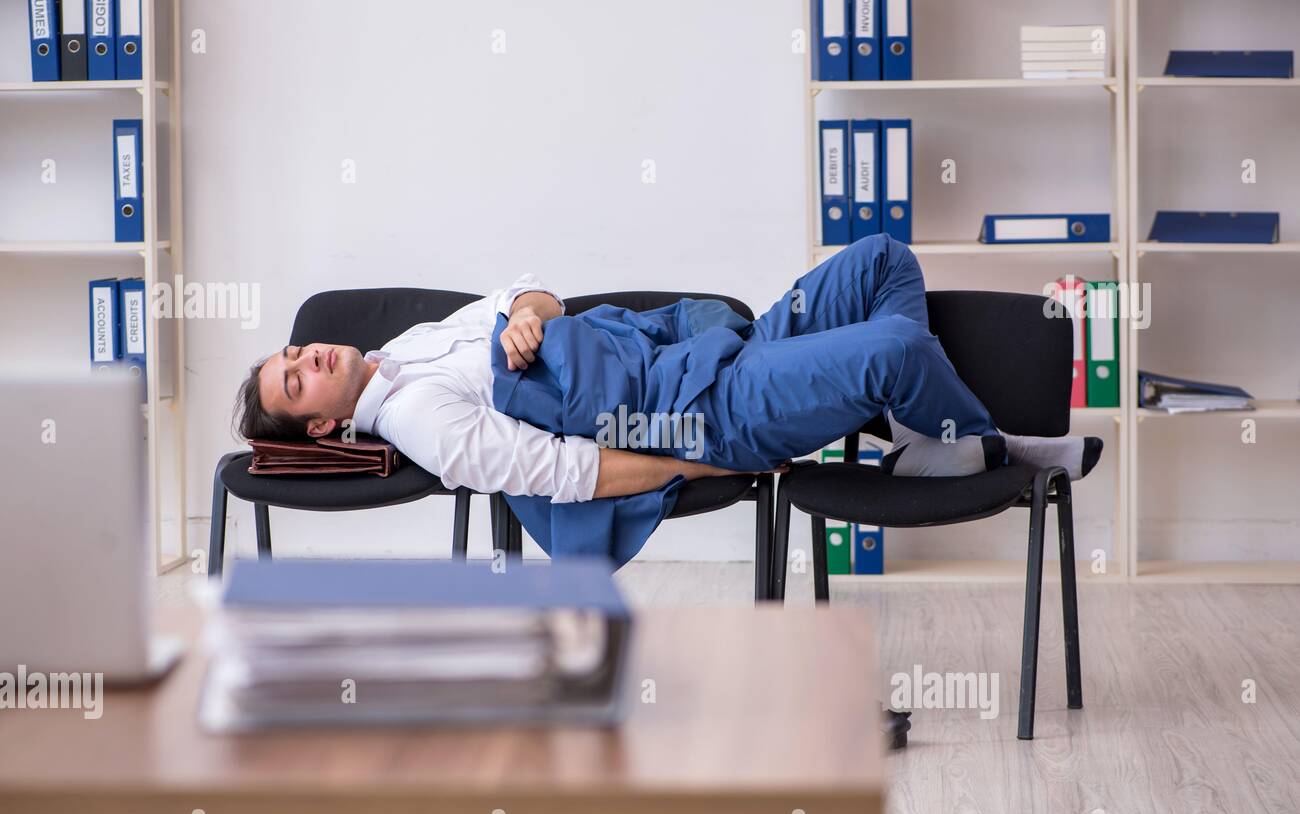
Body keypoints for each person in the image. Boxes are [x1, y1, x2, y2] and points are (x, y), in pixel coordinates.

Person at [233, 234, 1100, 562]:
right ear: (321, 421)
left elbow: (530, 287)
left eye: (294, 351)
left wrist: (526, 319)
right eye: (296, 375)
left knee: (884, 260)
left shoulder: (410, 349)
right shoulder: (419, 417)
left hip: (713, 348)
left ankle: (926, 438)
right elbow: (554, 469)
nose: (306, 353)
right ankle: (992, 444)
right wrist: (696, 458)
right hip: (708, 413)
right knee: (898, 345)